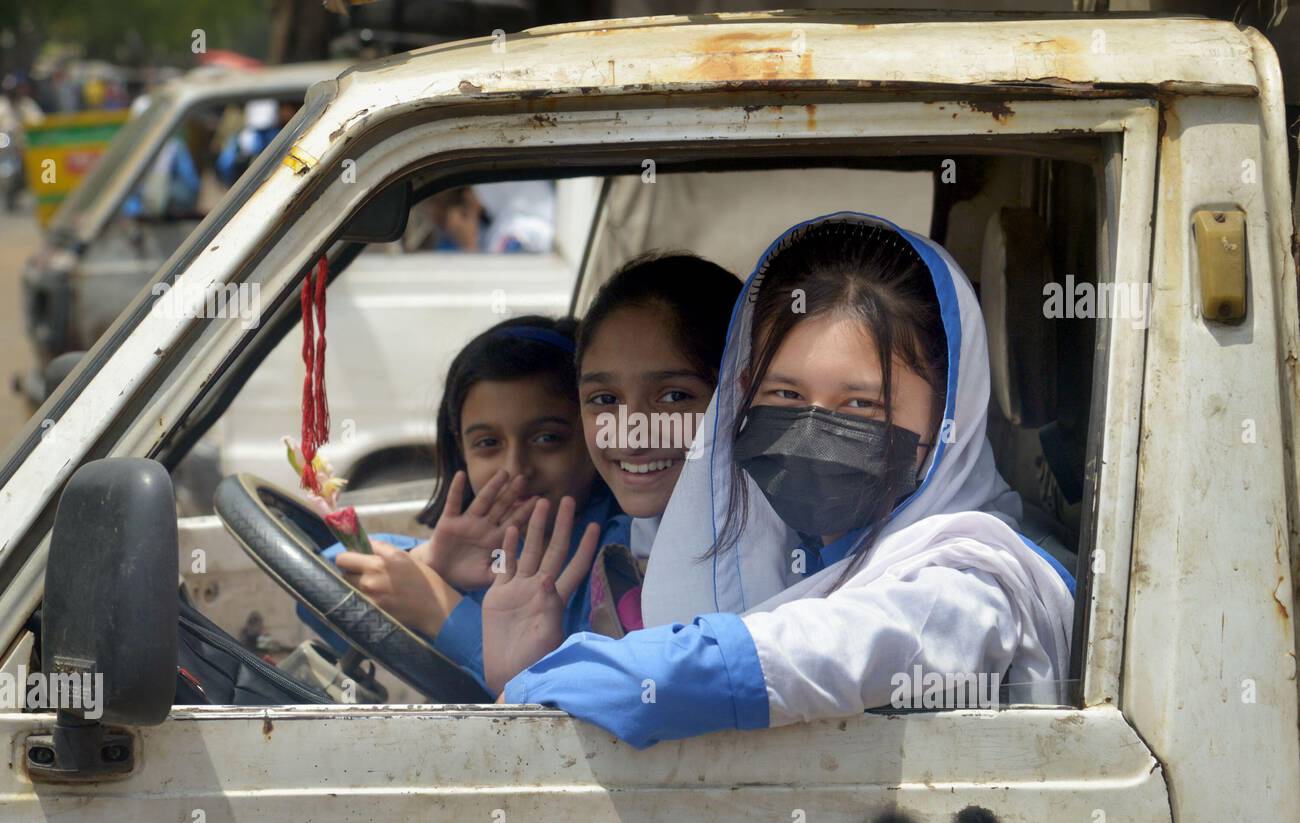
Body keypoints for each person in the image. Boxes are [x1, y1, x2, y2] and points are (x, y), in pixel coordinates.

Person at [480, 213, 1076, 748]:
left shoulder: (979, 578)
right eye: (786, 395)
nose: (813, 432)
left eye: (862, 405)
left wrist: (640, 675)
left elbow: (849, 645)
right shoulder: (776, 555)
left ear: (951, 412)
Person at [302, 316, 622, 693]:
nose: (515, 467)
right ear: (461, 451)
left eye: (547, 438)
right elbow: (314, 594)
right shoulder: (476, 545)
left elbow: (578, 702)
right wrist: (431, 563)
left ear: (592, 435)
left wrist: (439, 610)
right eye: (488, 443)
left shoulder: (621, 553)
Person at [572, 252, 740, 633]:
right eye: (604, 400)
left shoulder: (791, 561)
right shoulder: (614, 546)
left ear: (740, 394)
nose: (631, 436)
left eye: (675, 396)